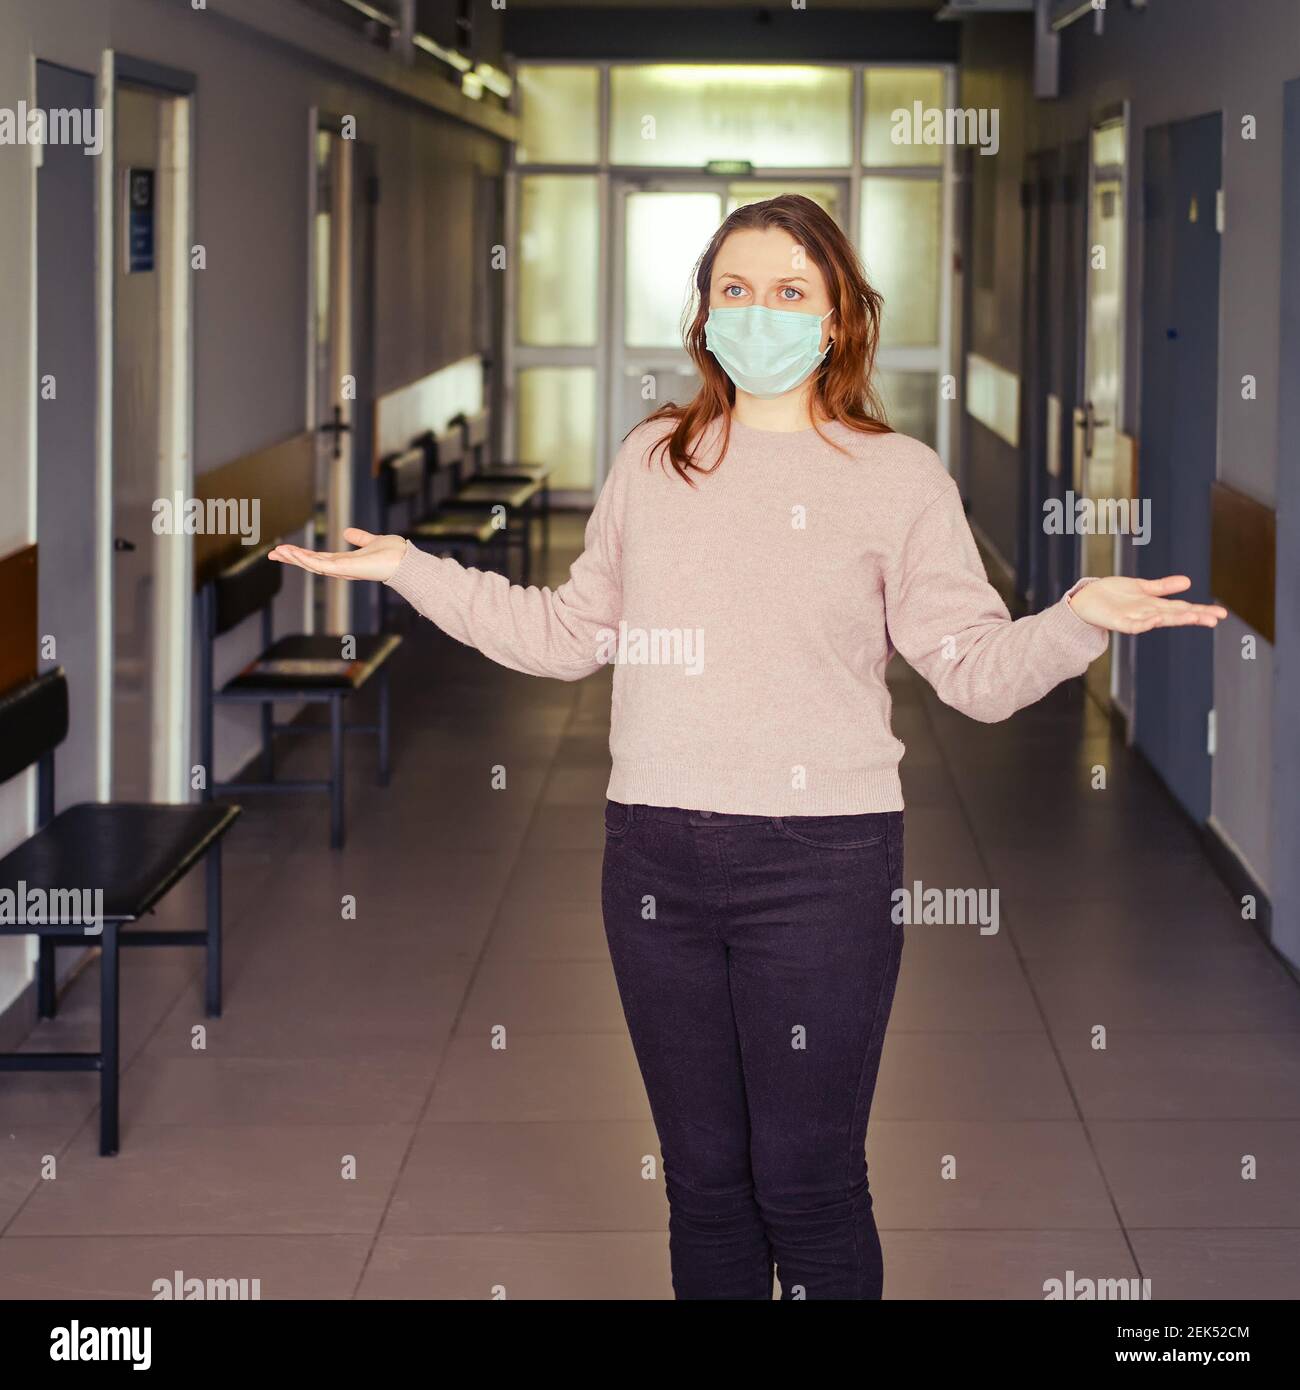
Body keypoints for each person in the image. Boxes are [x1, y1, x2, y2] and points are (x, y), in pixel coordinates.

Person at [270, 194, 1225, 1300]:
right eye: (735, 289)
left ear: (836, 319)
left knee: (808, 1183)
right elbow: (571, 634)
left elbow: (969, 671)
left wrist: (1076, 620)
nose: (757, 311)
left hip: (822, 867)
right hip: (653, 862)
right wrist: (409, 570)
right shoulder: (653, 458)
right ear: (703, 311)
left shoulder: (898, 476)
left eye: (787, 291)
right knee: (704, 1183)